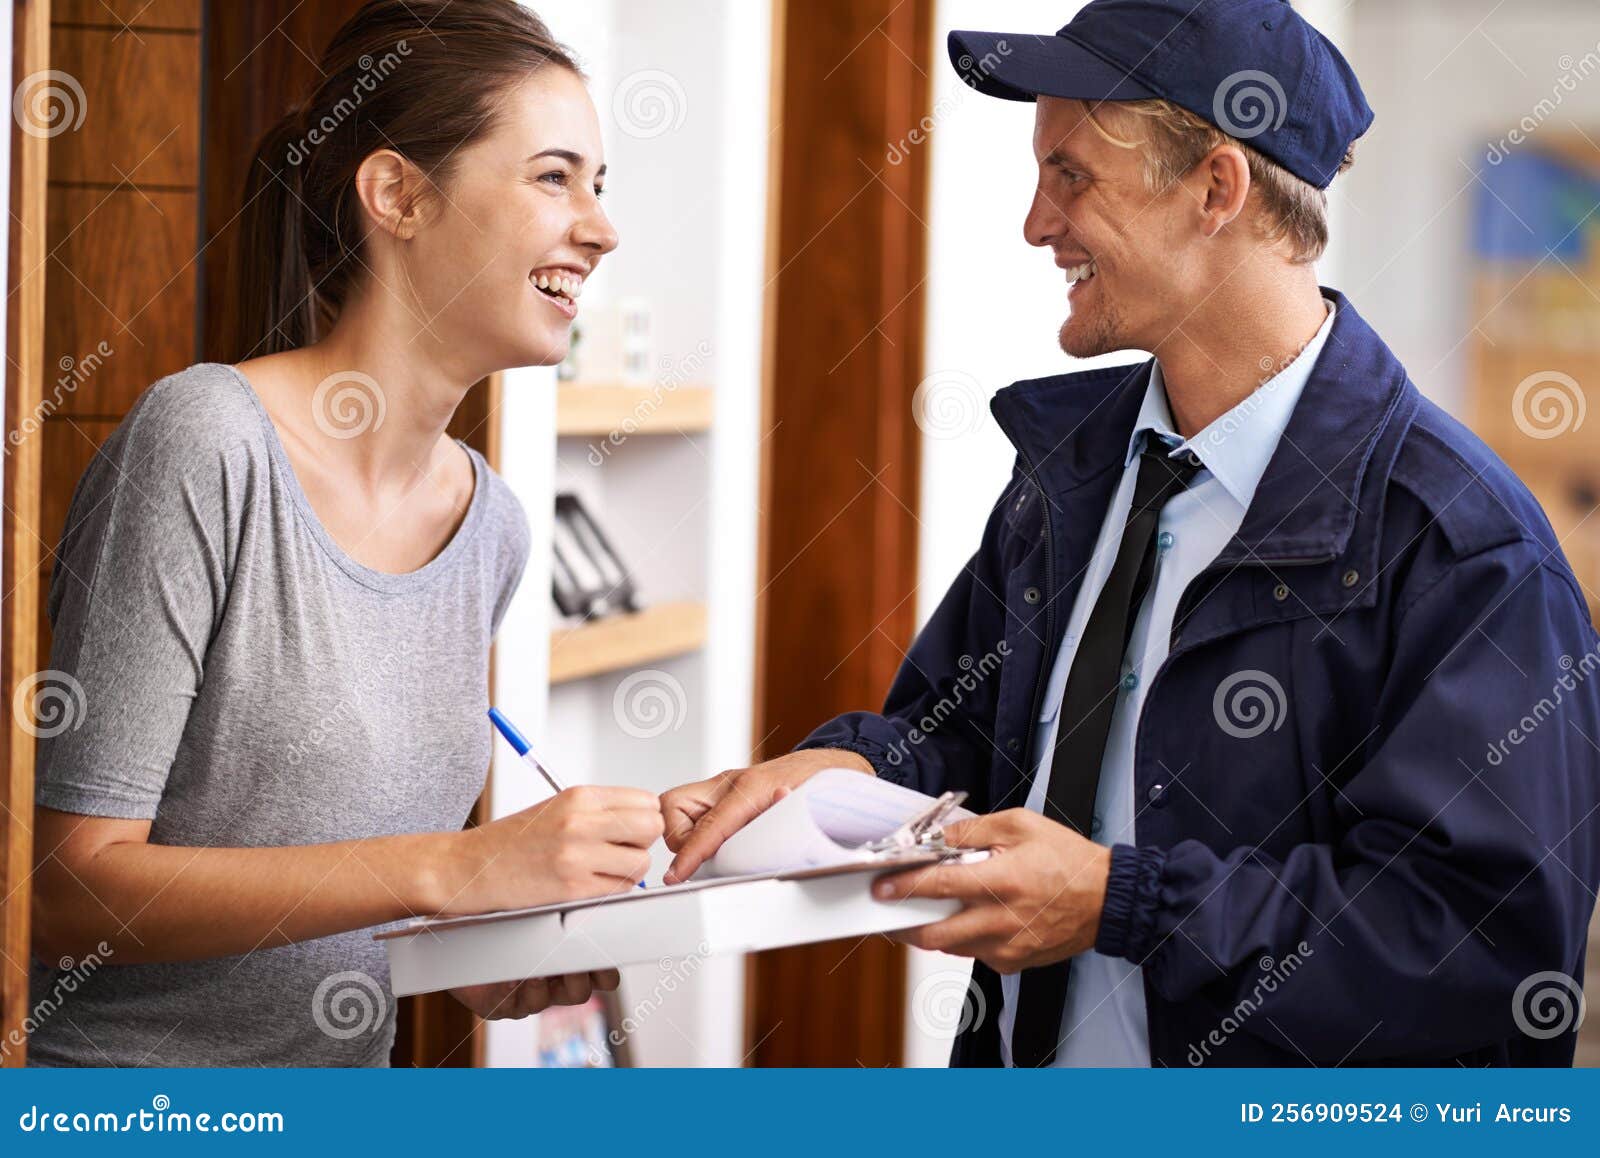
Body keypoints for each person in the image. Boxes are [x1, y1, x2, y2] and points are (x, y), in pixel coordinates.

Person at [661, 0, 1600, 1067]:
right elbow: (961, 740)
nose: (1035, 223)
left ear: (1216, 189)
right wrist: (839, 775)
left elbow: (1480, 951)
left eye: (1071, 176)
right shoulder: (1069, 475)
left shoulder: (1464, 547)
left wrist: (1123, 902)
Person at [27, 0, 657, 1067]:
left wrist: (485, 946)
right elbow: (66, 892)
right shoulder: (207, 442)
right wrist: (451, 871)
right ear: (398, 195)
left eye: (599, 185)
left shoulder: (490, 526)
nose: (600, 228)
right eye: (555, 178)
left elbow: (350, 900)